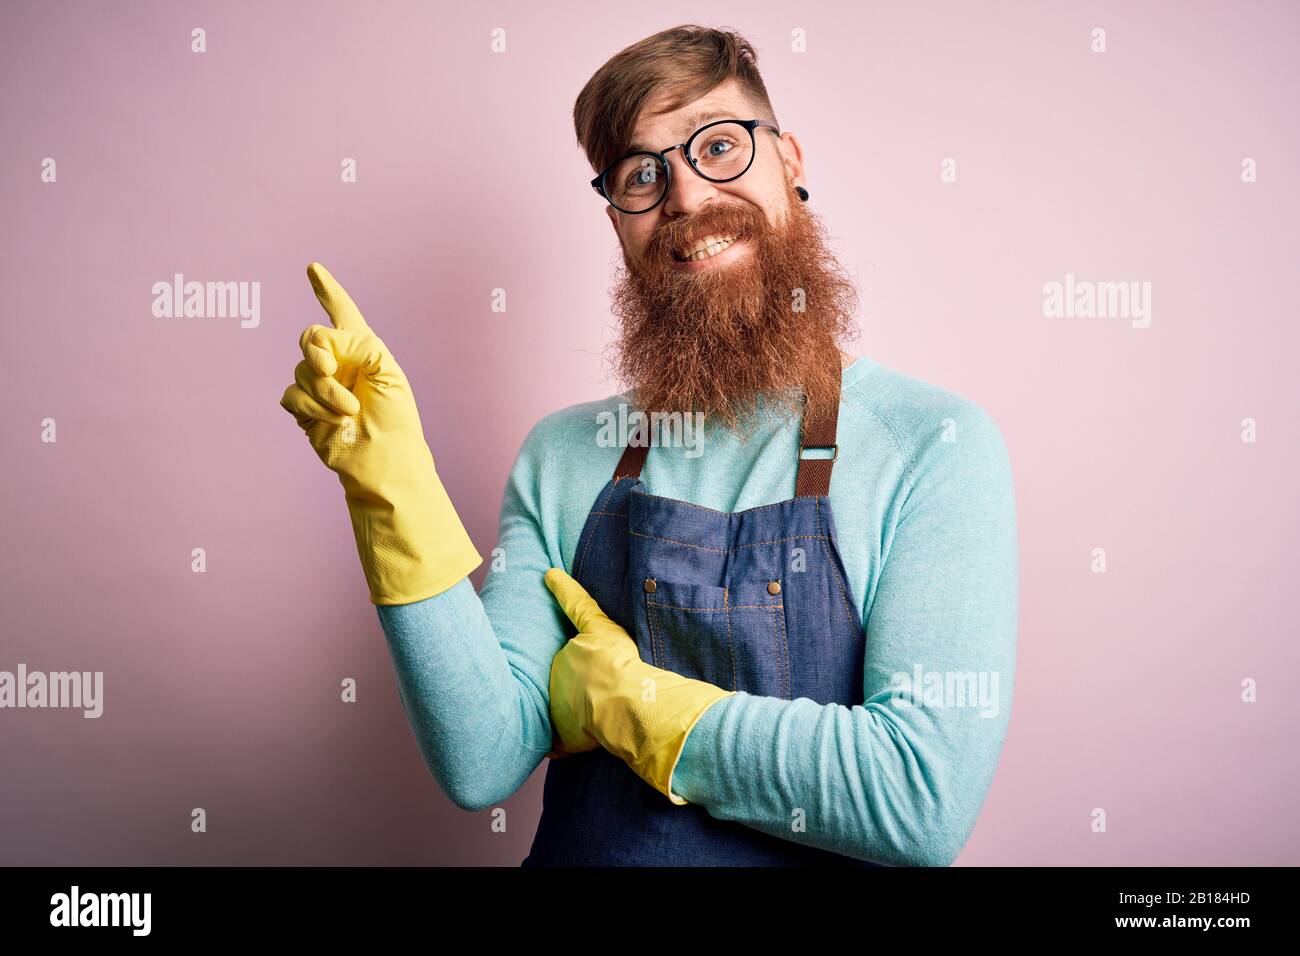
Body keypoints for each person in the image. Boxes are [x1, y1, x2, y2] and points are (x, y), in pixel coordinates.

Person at [278, 24, 1018, 867]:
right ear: (615, 219)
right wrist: (392, 489)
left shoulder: (932, 447)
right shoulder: (566, 456)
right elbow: (482, 758)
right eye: (642, 173)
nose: (689, 197)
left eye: (720, 145)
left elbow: (917, 799)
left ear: (791, 162)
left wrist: (638, 707)